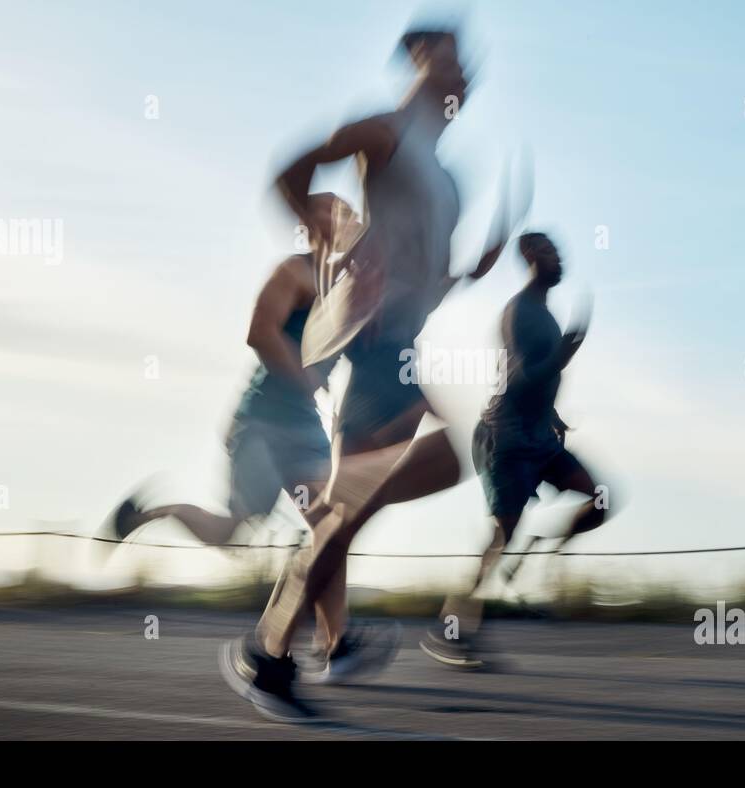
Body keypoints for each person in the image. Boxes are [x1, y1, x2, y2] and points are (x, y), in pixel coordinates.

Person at [225, 25, 512, 721]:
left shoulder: (449, 183)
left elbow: (423, 282)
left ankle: (274, 648)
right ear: (416, 62)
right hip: (378, 349)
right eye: (446, 55)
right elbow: (290, 174)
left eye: (466, 62)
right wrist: (327, 236)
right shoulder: (384, 132)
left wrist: (467, 272)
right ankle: (272, 652)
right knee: (418, 474)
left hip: (406, 344)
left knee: (358, 508)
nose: (461, 70)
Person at [112, 193, 389, 676]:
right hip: (260, 421)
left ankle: (336, 643)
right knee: (233, 532)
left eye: (345, 211)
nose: (340, 217)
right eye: (327, 211)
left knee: (330, 525)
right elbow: (260, 333)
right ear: (307, 226)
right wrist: (305, 380)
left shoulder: (349, 291)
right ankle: (154, 512)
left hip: (304, 427)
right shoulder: (294, 273)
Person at [421, 232, 608, 669]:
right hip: (504, 438)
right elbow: (522, 378)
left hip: (539, 436)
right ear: (528, 255)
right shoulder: (519, 312)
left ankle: (546, 550)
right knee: (500, 538)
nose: (559, 259)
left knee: (598, 500)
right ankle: (452, 632)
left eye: (560, 253)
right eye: (549, 252)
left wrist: (553, 414)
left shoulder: (545, 314)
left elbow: (539, 386)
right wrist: (562, 355)